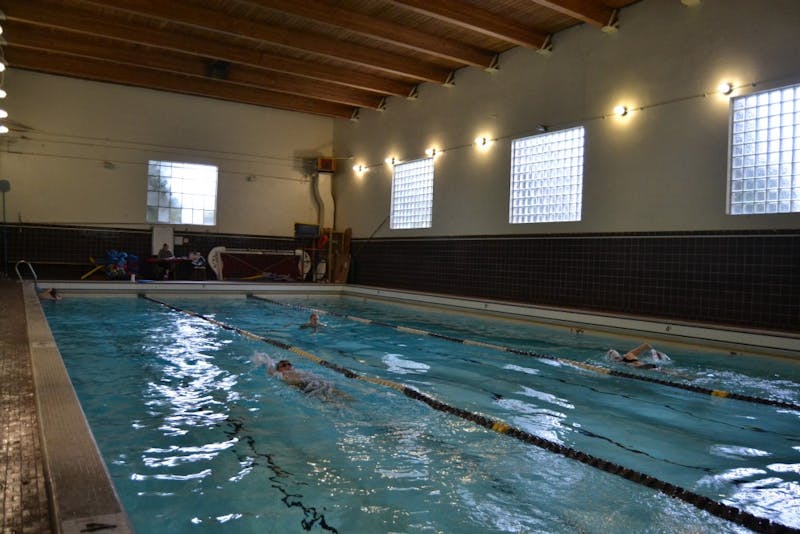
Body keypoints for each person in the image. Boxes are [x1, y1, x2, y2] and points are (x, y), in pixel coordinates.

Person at [252, 353, 346, 400]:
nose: (287, 366)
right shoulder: (279, 374)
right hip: (303, 386)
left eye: (289, 364)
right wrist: (264, 360)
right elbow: (270, 368)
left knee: (338, 392)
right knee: (329, 400)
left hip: (313, 382)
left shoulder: (297, 371)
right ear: (279, 369)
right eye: (284, 365)